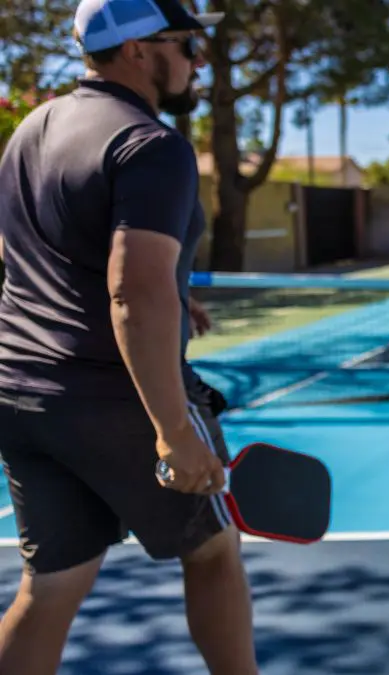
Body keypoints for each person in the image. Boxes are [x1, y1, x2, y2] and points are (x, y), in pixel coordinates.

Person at [0, 1, 258, 673]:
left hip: (21, 396)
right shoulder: (152, 145)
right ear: (141, 51)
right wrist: (173, 428)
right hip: (112, 400)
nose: (200, 61)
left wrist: (175, 291)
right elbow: (131, 290)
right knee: (212, 550)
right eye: (189, 46)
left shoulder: (33, 128)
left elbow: (38, 247)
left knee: (50, 585)